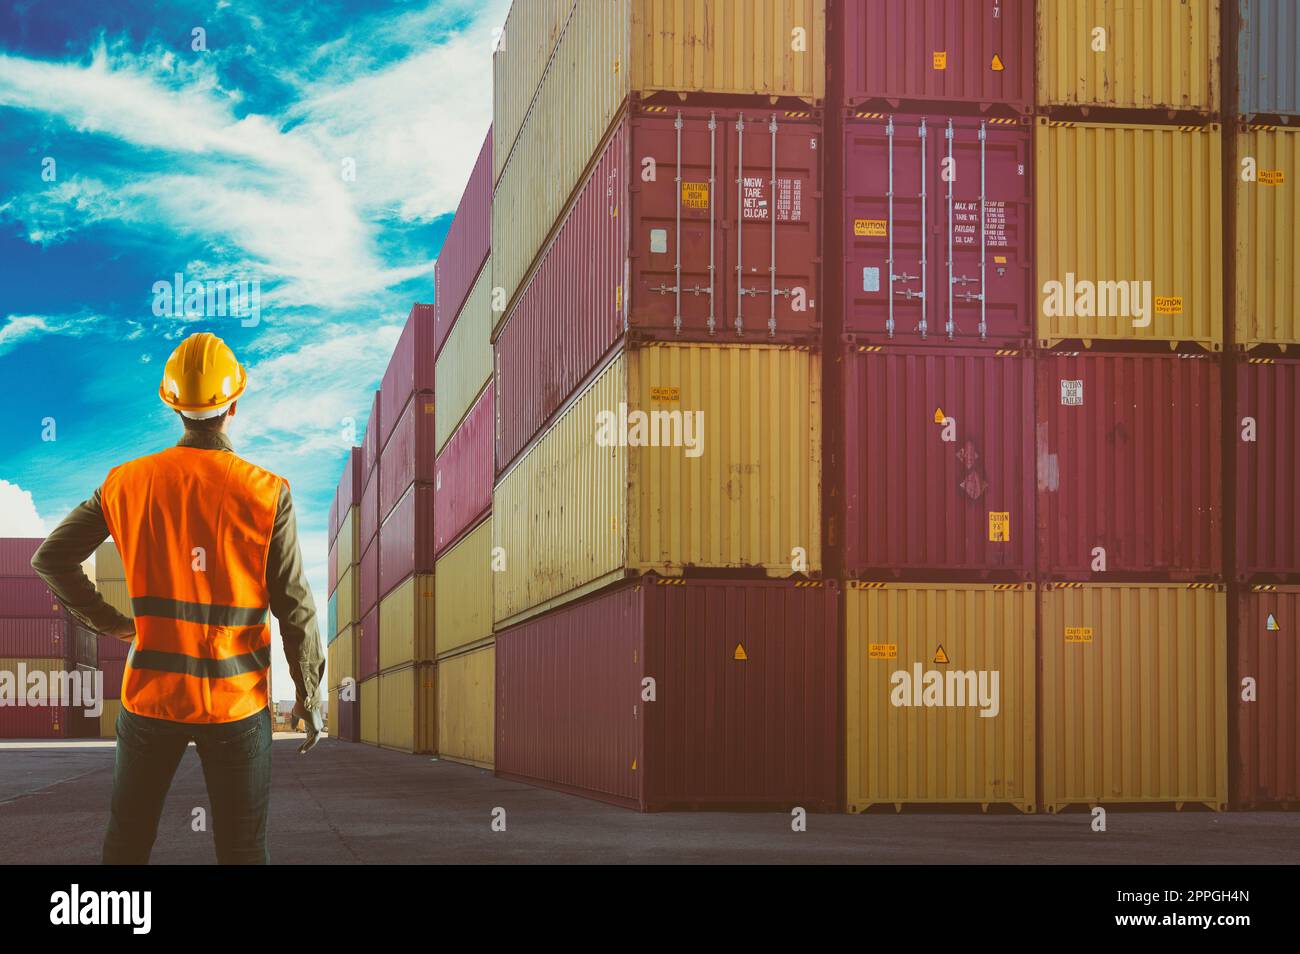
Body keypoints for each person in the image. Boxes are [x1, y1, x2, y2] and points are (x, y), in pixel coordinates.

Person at [31, 331, 325, 865]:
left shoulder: (126, 482)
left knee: (126, 845)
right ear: (234, 403)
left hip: (151, 698)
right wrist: (308, 693)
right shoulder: (266, 491)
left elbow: (51, 558)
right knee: (241, 850)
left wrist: (114, 623)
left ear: (172, 405)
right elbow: (295, 607)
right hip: (235, 705)